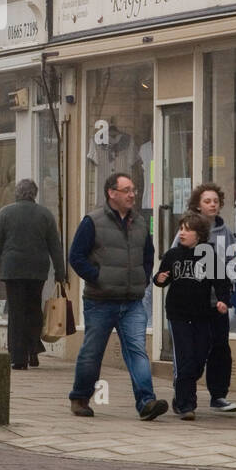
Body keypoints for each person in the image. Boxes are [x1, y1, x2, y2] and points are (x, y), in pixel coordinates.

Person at [67, 172, 169, 421]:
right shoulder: (92, 221)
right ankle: (80, 398)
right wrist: (97, 276)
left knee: (137, 351)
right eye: (127, 190)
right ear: (112, 193)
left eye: (134, 189)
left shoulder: (141, 221)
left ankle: (146, 402)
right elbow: (76, 256)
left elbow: (148, 254)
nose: (132, 194)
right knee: (92, 351)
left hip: (132, 300)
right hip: (100, 300)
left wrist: (143, 278)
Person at [0, 178, 66, 370]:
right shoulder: (45, 215)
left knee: (16, 311)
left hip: (13, 270)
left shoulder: (5, 213)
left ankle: (18, 357)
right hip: (37, 269)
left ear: (17, 193)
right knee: (34, 308)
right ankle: (33, 350)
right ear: (34, 194)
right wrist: (60, 273)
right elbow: (55, 246)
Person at [155, 211, 231, 420]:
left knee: (199, 359)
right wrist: (159, 279)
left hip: (202, 316)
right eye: (181, 229)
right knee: (185, 359)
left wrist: (224, 300)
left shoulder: (209, 255)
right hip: (177, 315)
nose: (182, 233)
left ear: (199, 235)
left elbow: (221, 282)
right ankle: (185, 404)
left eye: (187, 230)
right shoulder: (172, 255)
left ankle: (183, 392)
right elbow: (161, 278)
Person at [174, 183, 236, 412]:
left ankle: (218, 396)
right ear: (197, 205)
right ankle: (184, 395)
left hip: (218, 302)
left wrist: (230, 283)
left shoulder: (226, 232)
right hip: (193, 304)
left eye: (215, 201)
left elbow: (234, 261)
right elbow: (176, 259)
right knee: (195, 351)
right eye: (207, 201)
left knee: (221, 347)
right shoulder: (187, 230)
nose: (212, 204)